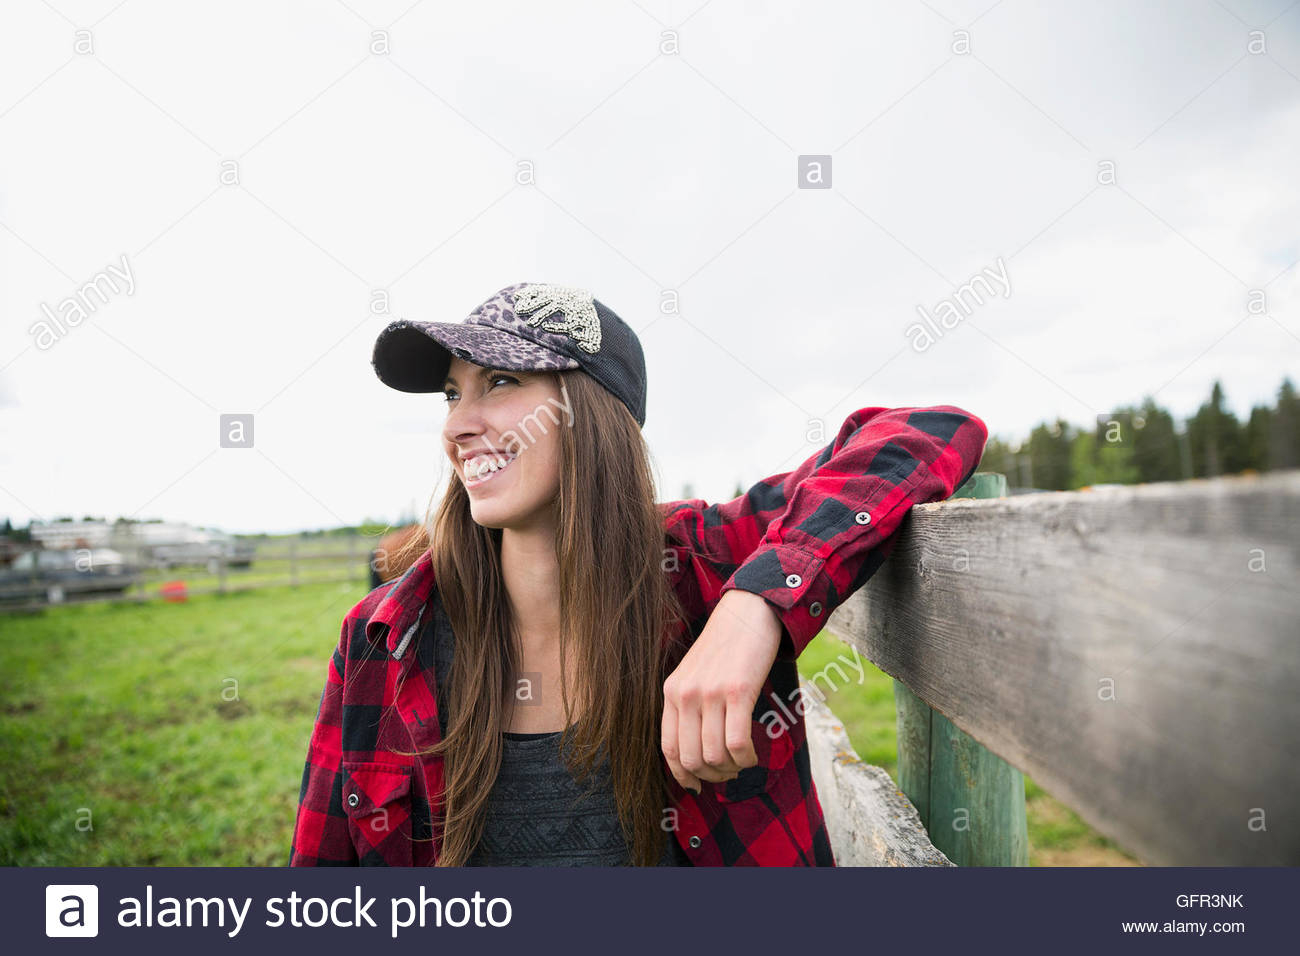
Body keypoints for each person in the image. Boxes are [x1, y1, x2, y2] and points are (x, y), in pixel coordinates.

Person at [288, 281, 988, 866]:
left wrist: (754, 607)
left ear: (590, 415)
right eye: (451, 393)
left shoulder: (702, 565)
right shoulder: (384, 638)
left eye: (499, 382)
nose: (459, 425)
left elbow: (928, 431)